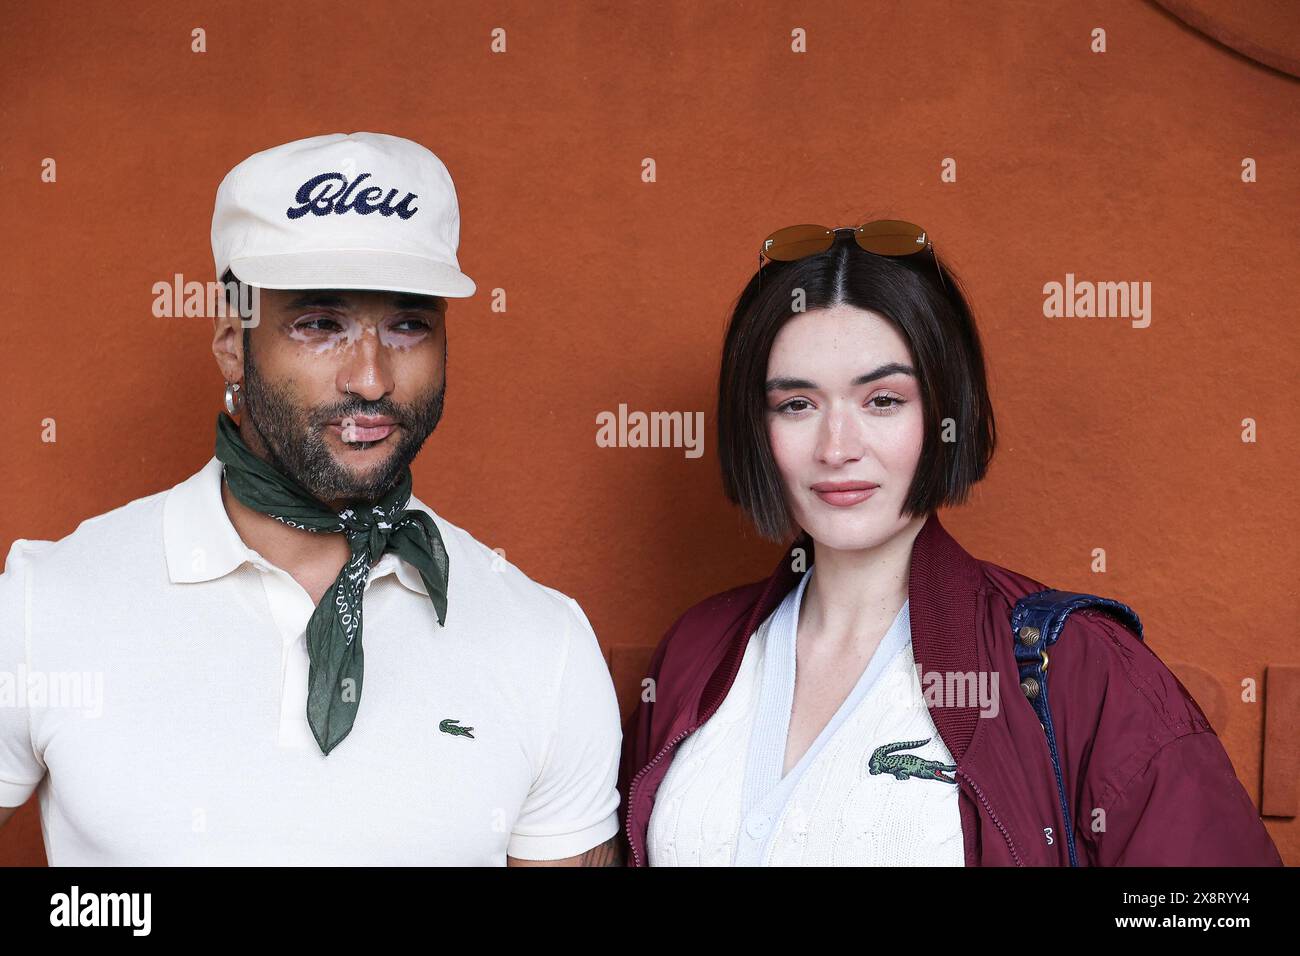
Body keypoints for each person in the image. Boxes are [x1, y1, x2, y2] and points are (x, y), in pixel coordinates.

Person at [0, 132, 622, 866]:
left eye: (408, 324)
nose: (370, 379)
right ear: (234, 342)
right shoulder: (47, 606)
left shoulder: (543, 643)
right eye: (320, 324)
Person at [617, 221, 1283, 866]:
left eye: (882, 400)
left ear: (946, 414)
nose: (837, 447)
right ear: (755, 427)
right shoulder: (697, 652)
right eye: (798, 404)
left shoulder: (1077, 666)